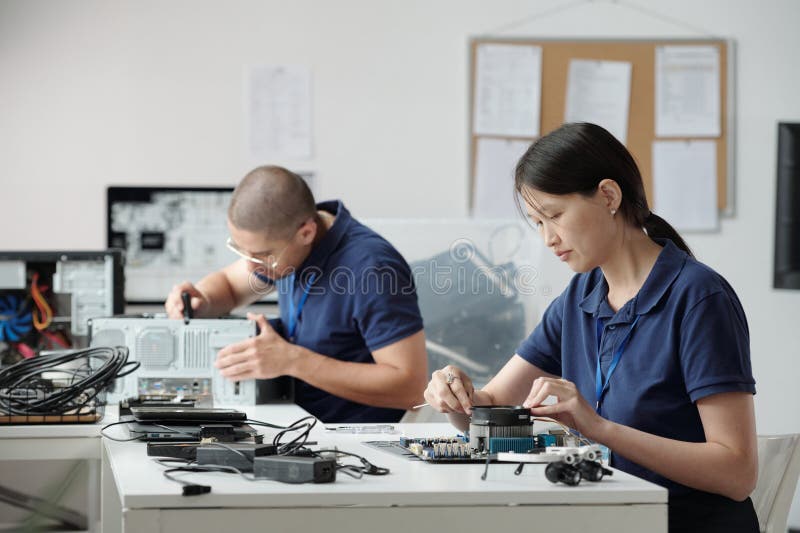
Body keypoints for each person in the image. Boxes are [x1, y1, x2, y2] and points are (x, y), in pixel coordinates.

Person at [423, 123, 758, 533]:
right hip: (607, 518)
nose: (548, 239)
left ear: (608, 196)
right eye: (537, 224)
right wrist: (457, 394)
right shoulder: (580, 295)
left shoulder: (699, 298)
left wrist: (598, 429)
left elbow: (737, 473)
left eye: (555, 216)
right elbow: (491, 405)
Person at [165, 165, 427, 423]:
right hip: (296, 425)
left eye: (261, 255)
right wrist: (201, 299)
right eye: (242, 252)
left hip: (352, 441)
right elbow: (229, 286)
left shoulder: (372, 270)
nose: (249, 267)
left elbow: (410, 389)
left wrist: (293, 361)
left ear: (306, 233)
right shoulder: (287, 245)